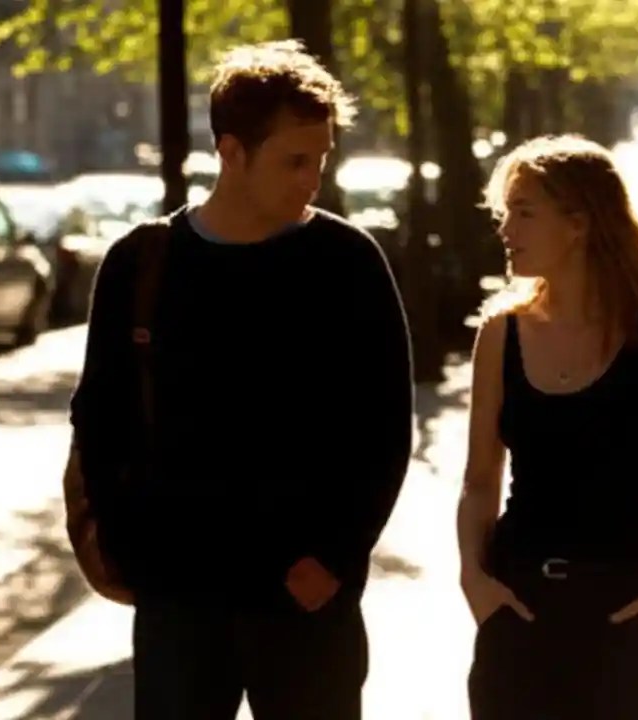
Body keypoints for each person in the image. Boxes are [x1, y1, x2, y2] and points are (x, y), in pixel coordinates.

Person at [64, 40, 414, 719]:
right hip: (181, 604)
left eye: (321, 159)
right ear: (230, 152)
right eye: (294, 160)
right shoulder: (141, 263)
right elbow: (100, 416)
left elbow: (383, 430)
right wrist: (136, 554)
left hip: (307, 599)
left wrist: (336, 558)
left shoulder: (348, 263)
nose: (312, 178)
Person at [457, 134, 638, 719]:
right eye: (506, 214)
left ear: (579, 223)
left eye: (524, 213)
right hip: (519, 610)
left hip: (630, 611)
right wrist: (475, 581)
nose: (507, 230)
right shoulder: (500, 335)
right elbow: (479, 480)